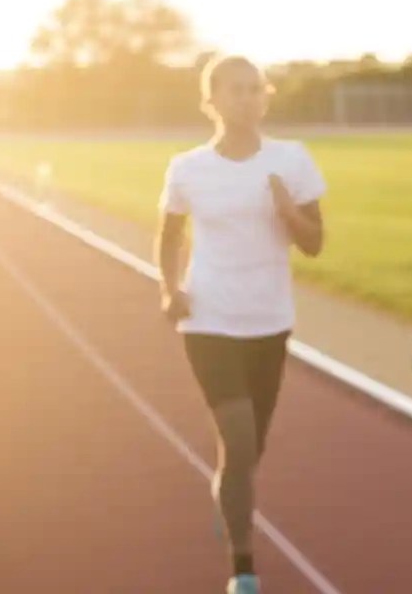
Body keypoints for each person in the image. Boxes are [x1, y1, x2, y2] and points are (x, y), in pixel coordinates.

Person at [155, 53, 327, 594]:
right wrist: (169, 287)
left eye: (255, 89)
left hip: (269, 322)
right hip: (210, 319)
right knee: (239, 442)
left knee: (248, 454)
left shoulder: (293, 161)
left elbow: (314, 244)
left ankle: (229, 502)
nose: (247, 98)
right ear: (211, 102)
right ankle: (243, 568)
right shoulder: (187, 168)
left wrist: (287, 209)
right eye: (235, 90)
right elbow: (168, 234)